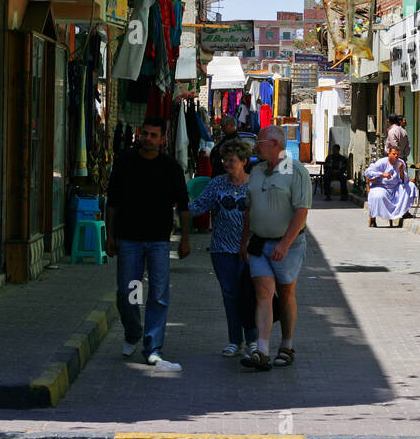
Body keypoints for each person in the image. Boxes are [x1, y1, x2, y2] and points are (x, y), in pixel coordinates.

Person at [106, 116, 192, 371]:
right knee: (127, 292)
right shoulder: (125, 163)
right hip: (128, 239)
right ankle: (133, 332)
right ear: (138, 135)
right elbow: (112, 202)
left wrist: (185, 239)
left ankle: (153, 347)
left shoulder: (171, 167)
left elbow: (184, 207)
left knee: (158, 294)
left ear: (163, 139)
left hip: (158, 241)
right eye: (145, 134)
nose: (148, 139)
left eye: (154, 135)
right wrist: (109, 236)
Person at [240, 125, 312, 371]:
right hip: (259, 243)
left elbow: (302, 211)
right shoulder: (257, 171)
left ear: (275, 144)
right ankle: (261, 350)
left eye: (259, 142)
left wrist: (285, 243)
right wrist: (244, 241)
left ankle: (287, 345)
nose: (255, 146)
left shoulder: (296, 171)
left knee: (286, 293)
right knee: (263, 293)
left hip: (287, 245)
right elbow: (249, 209)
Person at [189, 140, 257, 358]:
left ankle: (253, 340)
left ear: (244, 162)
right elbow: (199, 205)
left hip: (249, 249)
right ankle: (234, 340)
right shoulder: (217, 183)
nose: (227, 164)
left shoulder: (254, 184)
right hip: (221, 249)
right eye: (225, 160)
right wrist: (175, 206)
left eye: (232, 160)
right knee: (229, 294)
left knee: (249, 294)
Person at [364, 147, 416, 228]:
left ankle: (404, 212)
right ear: (389, 154)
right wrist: (382, 174)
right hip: (381, 186)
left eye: (397, 154)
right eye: (394, 154)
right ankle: (373, 218)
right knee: (378, 195)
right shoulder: (381, 162)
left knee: (410, 186)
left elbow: (404, 180)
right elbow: (368, 173)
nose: (396, 156)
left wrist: (401, 171)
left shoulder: (401, 162)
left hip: (395, 187)